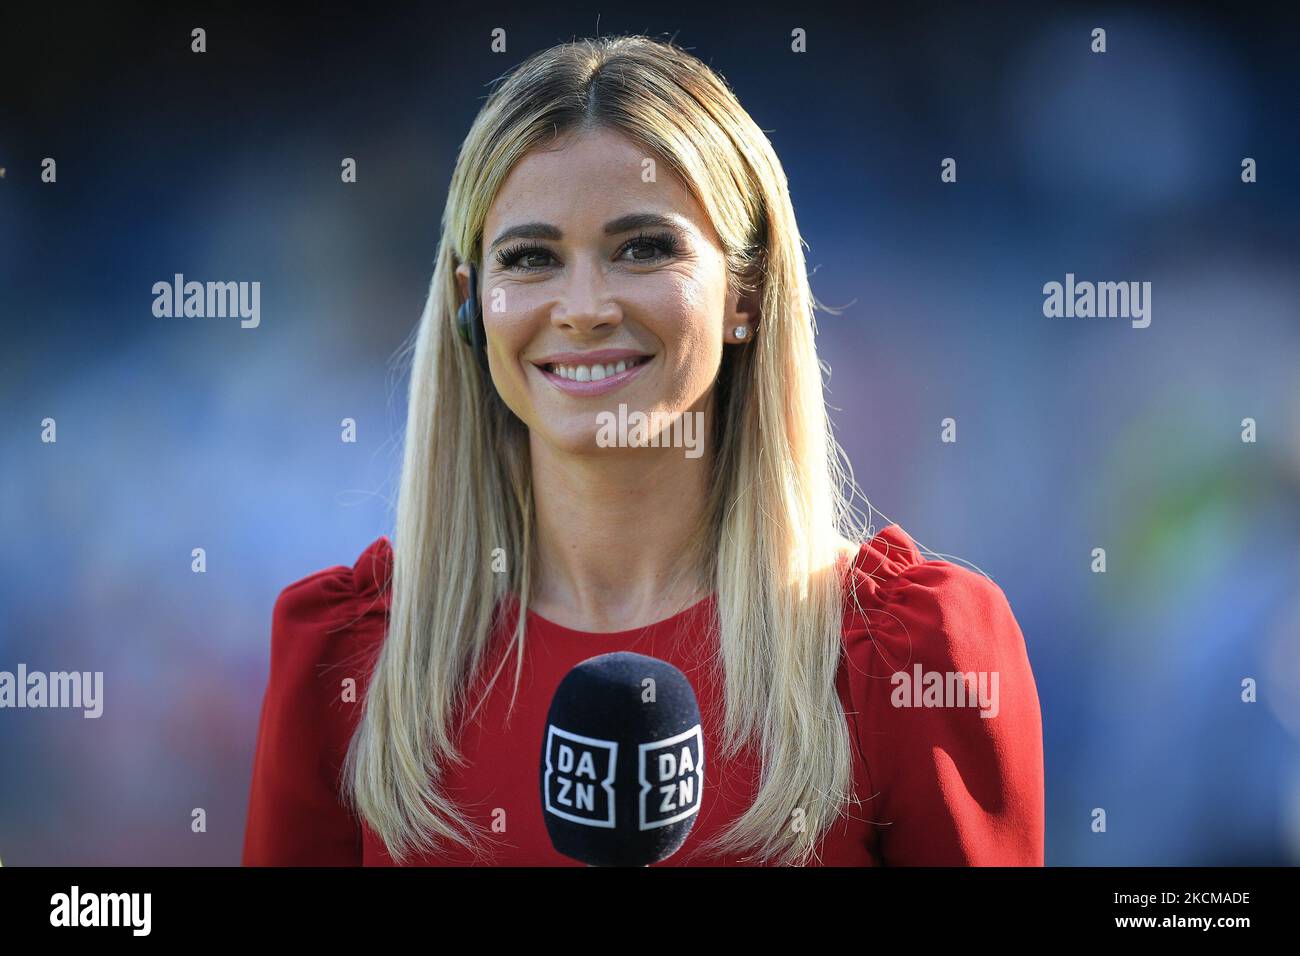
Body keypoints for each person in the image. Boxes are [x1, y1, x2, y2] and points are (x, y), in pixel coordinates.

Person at [242, 34, 1044, 866]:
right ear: (470, 303)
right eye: (531, 258)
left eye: (643, 248)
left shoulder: (912, 653)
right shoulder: (344, 661)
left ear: (747, 290)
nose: (584, 306)